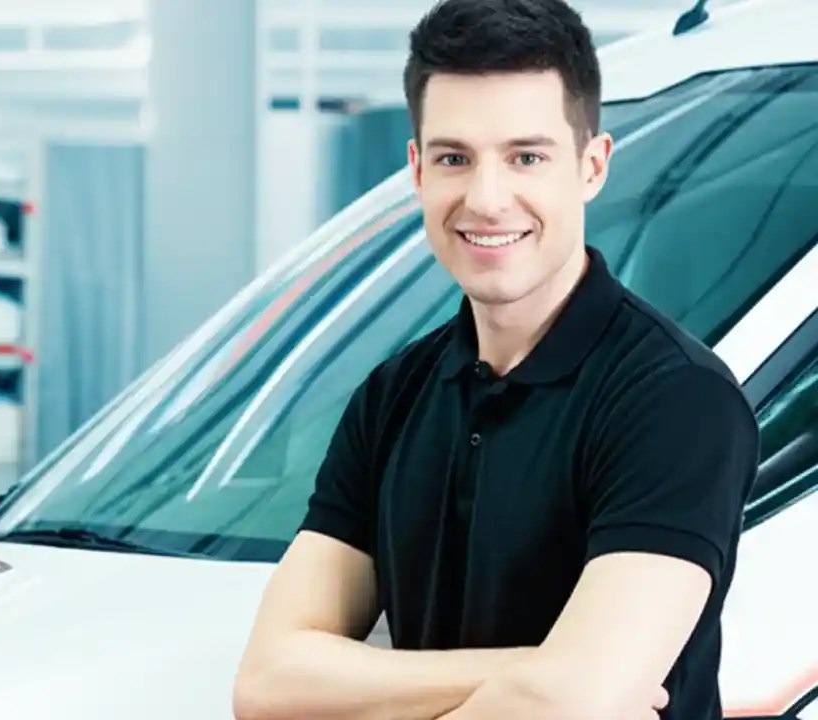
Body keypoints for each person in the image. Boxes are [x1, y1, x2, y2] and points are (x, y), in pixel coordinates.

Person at [231, 0, 759, 718]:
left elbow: (571, 705)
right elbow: (269, 684)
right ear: (417, 171)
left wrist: (568, 686)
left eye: (527, 157)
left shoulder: (676, 400)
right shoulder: (392, 398)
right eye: (454, 158)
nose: (486, 199)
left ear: (592, 166)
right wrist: (546, 670)